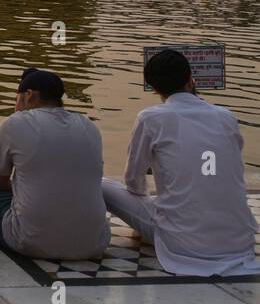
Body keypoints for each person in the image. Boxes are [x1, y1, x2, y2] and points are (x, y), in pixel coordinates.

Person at [102, 49, 260, 277]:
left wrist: (154, 200)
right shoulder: (226, 117)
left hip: (183, 245)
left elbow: (133, 182)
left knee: (102, 185)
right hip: (239, 244)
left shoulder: (150, 118)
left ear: (154, 88)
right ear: (190, 79)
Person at [0, 68, 110, 259]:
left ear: (28, 95)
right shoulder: (89, 126)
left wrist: (24, 191)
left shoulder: (15, 122)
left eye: (16, 98)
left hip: (32, 240)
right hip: (95, 242)